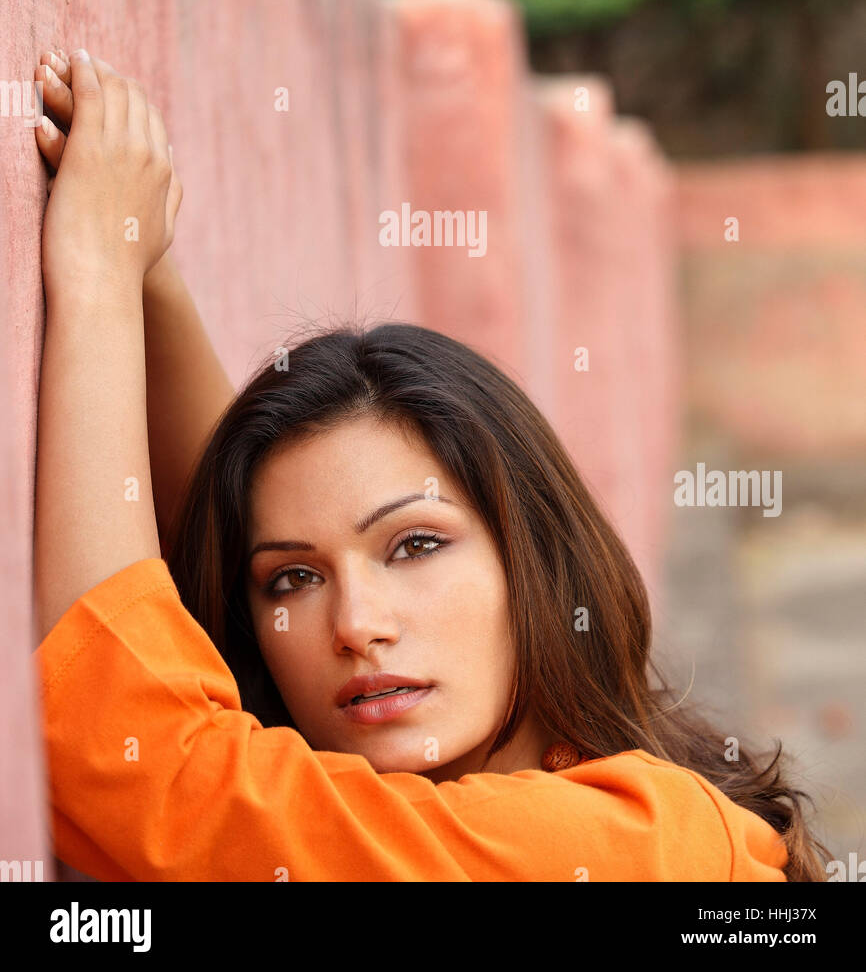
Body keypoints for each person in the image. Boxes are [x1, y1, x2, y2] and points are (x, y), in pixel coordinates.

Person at [31, 49, 829, 882]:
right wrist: (151, 273)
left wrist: (96, 278)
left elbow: (148, 768)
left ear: (535, 559)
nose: (356, 625)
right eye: (294, 582)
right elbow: (226, 542)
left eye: (415, 546)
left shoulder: (619, 846)